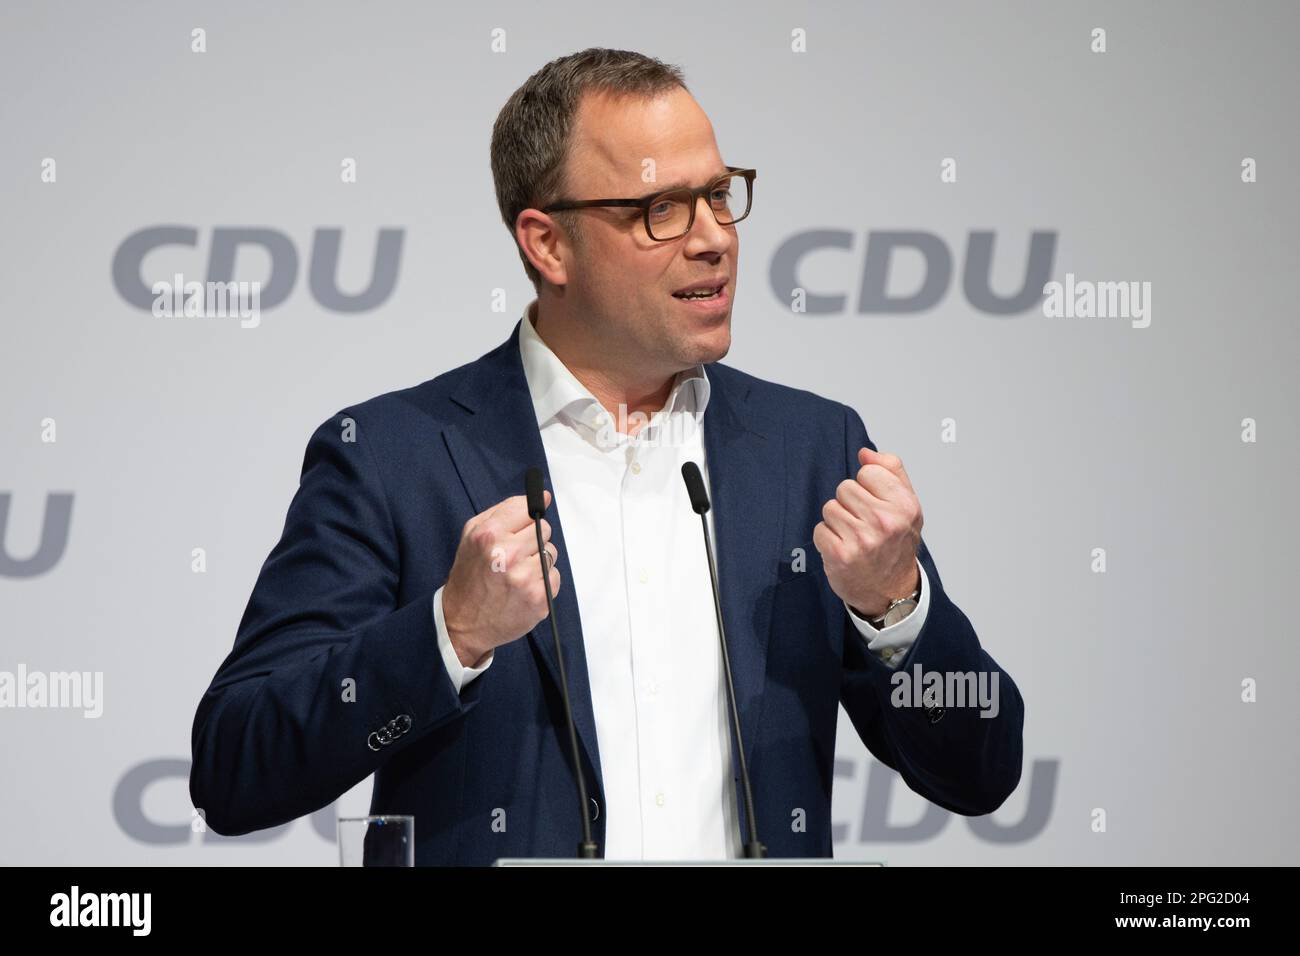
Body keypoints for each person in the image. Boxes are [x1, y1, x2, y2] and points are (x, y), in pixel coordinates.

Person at [189, 47, 1023, 865]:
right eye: (662, 207)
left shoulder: (814, 449)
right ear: (547, 244)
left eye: (720, 196)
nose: (714, 239)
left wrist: (896, 611)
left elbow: (982, 771)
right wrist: (451, 632)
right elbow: (235, 768)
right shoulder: (391, 459)